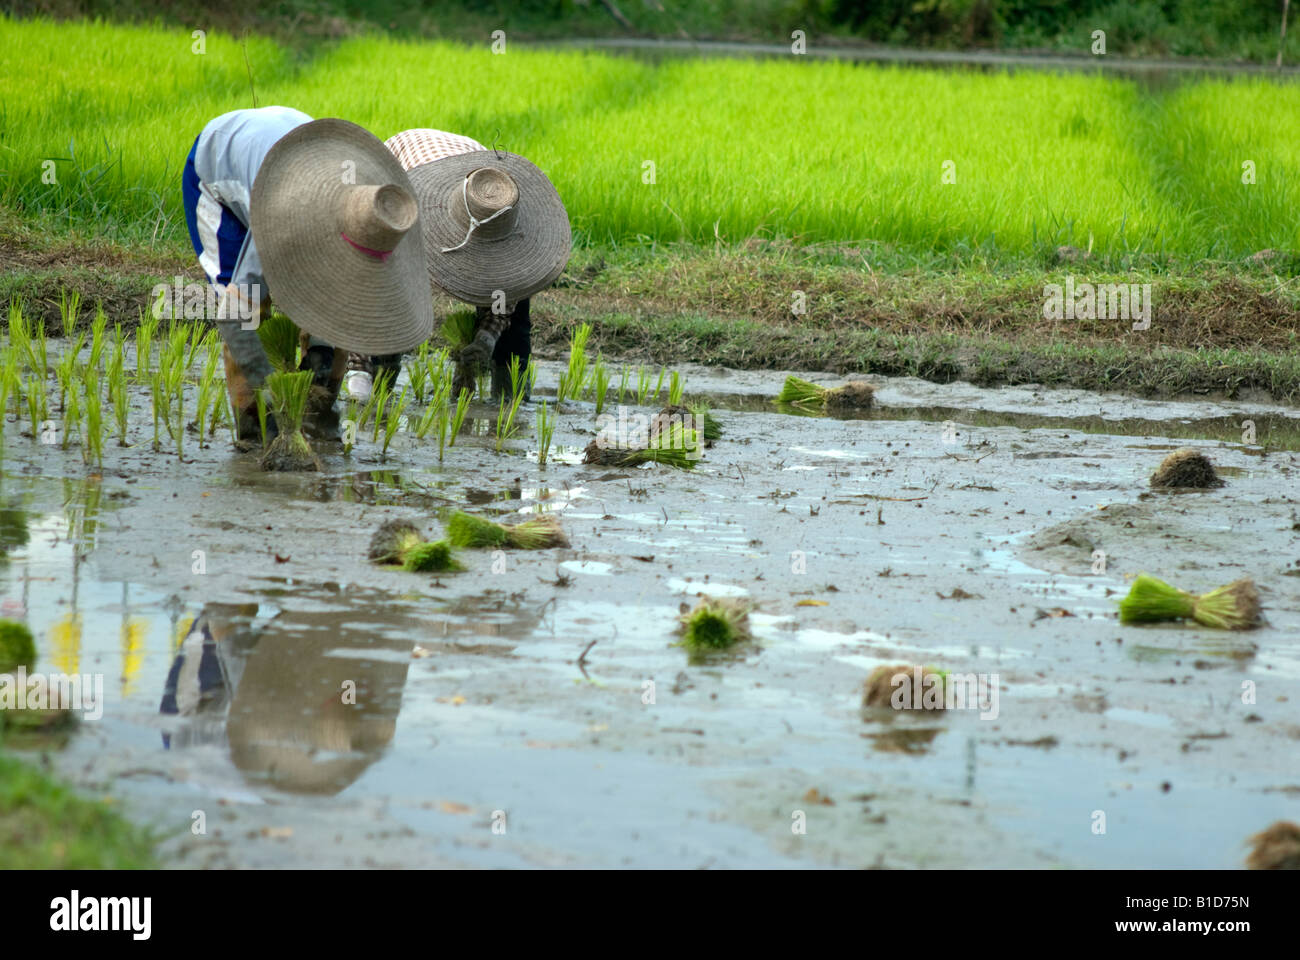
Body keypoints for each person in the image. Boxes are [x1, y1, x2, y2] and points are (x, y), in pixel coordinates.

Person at [181, 107, 433, 441]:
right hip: (219, 172)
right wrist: (271, 391)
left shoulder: (370, 212)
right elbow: (234, 315)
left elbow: (340, 308)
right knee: (252, 306)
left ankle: (317, 411)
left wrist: (321, 369)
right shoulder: (284, 218)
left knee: (337, 309)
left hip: (296, 149)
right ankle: (255, 429)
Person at [342, 128, 571, 402]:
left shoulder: (498, 205)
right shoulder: (403, 213)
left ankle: (511, 399)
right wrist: (358, 370)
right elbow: (367, 282)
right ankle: (381, 372)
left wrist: (484, 340)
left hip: (473, 170)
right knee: (391, 286)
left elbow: (503, 294)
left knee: (515, 314)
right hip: (402, 166)